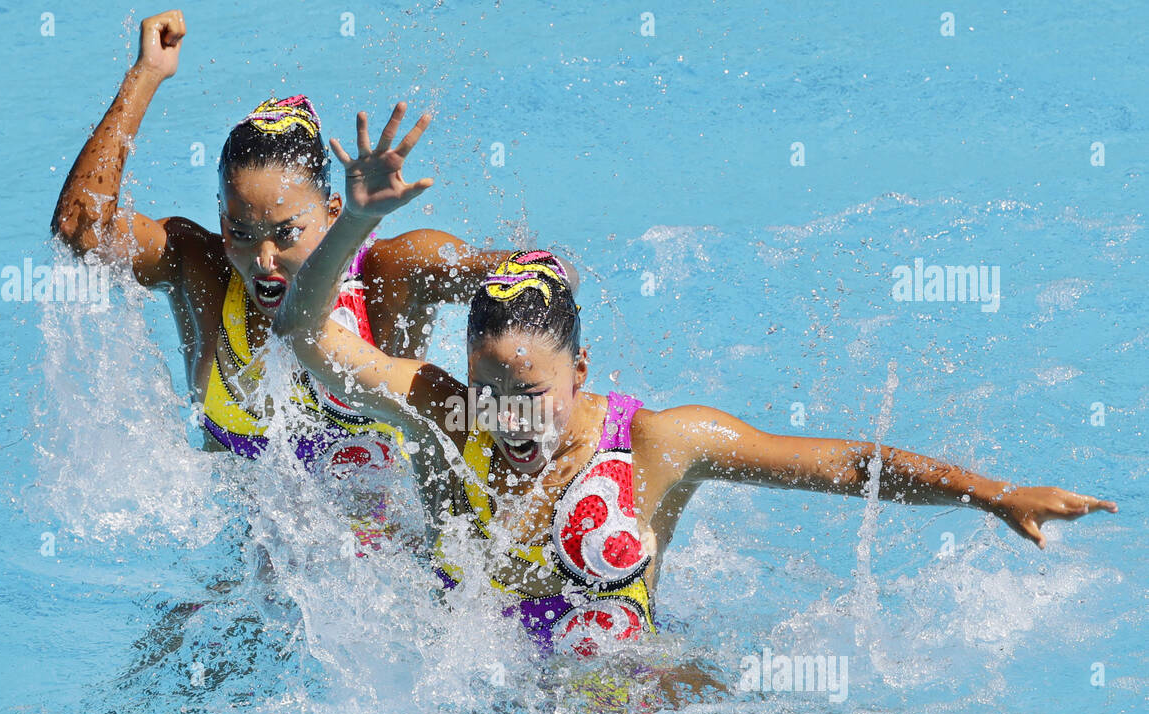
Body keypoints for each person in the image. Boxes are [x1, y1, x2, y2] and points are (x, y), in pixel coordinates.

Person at [272, 102, 1119, 659]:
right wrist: (359, 221)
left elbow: (842, 467)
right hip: (467, 697)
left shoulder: (656, 445)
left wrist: (987, 492)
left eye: (532, 397)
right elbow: (307, 336)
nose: (508, 419)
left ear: (584, 373)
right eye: (489, 390)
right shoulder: (443, 413)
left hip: (618, 706)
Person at [50, 11, 565, 483]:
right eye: (242, 233)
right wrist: (146, 75)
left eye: (287, 233)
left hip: (390, 568)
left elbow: (543, 275)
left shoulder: (389, 276)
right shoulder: (200, 270)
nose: (263, 259)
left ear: (335, 214)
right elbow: (78, 229)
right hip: (245, 573)